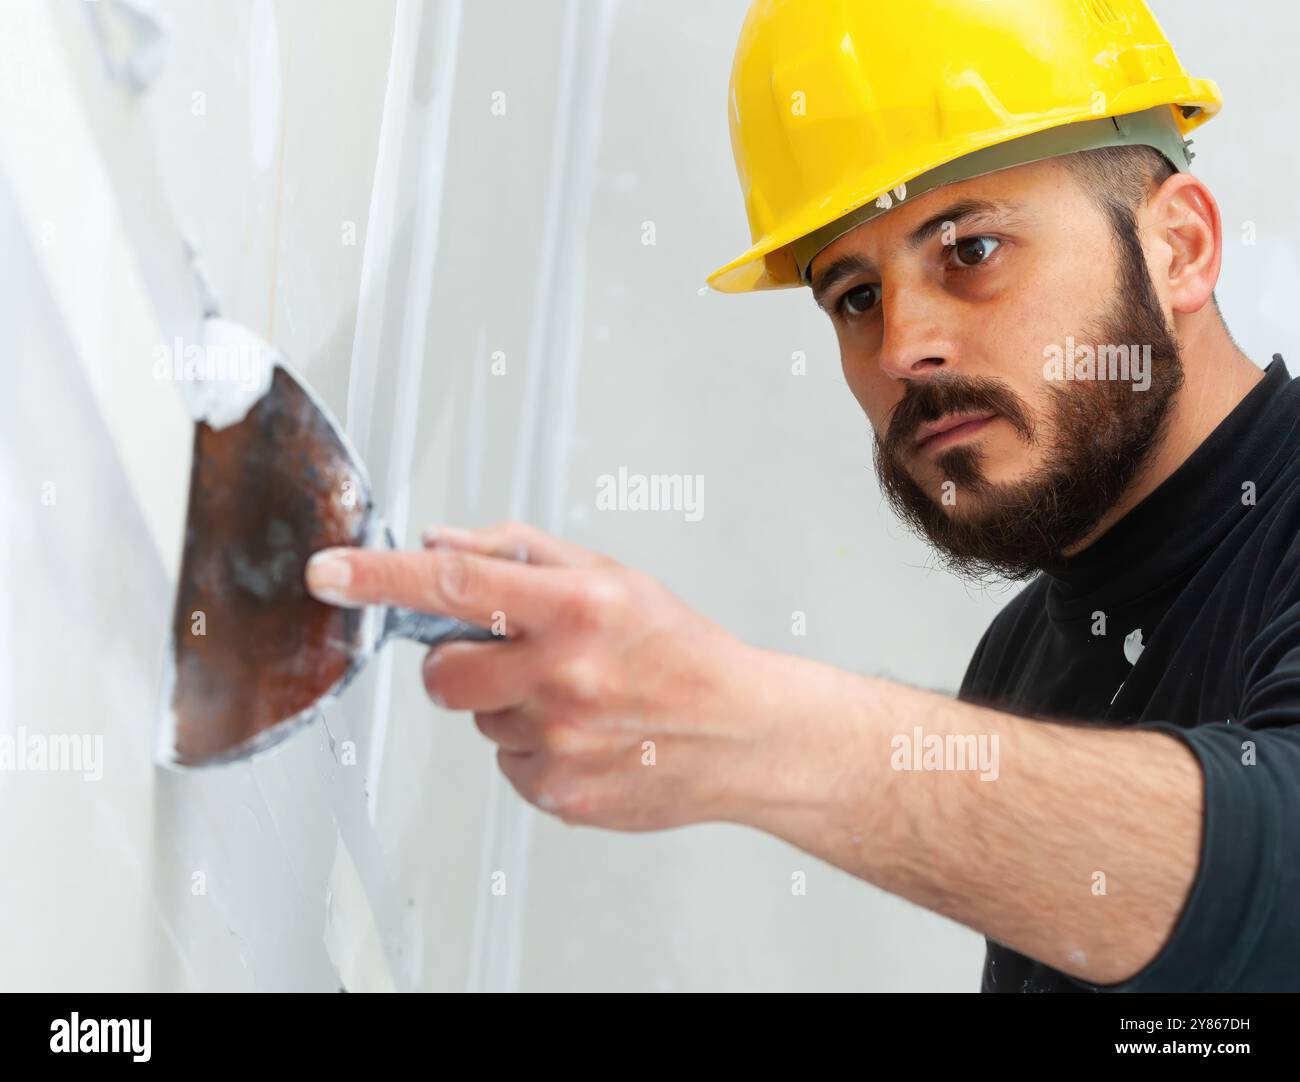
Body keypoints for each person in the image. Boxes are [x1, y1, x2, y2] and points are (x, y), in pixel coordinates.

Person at [305, 0, 1300, 991]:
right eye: (856, 297)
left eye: (971, 251)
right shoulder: (1023, 657)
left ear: (1178, 248)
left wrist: (740, 722)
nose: (903, 347)